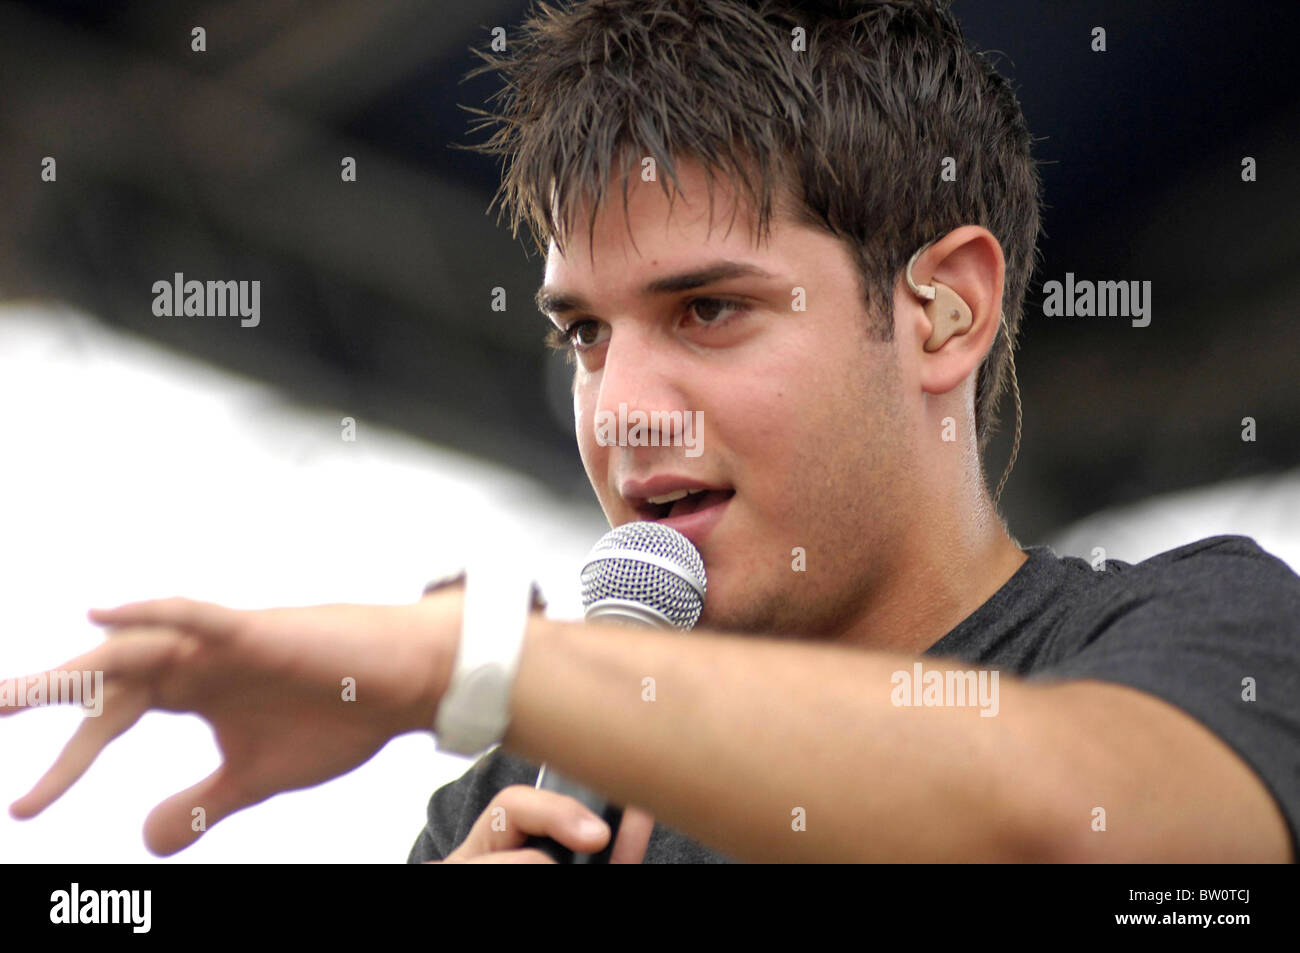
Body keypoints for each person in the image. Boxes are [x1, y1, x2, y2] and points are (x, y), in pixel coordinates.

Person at [4, 0, 1297, 863]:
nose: (619, 407)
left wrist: (473, 655)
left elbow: (1071, 816)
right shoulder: (535, 781)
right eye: (584, 335)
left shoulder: (1207, 629)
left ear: (942, 311)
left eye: (710, 309)